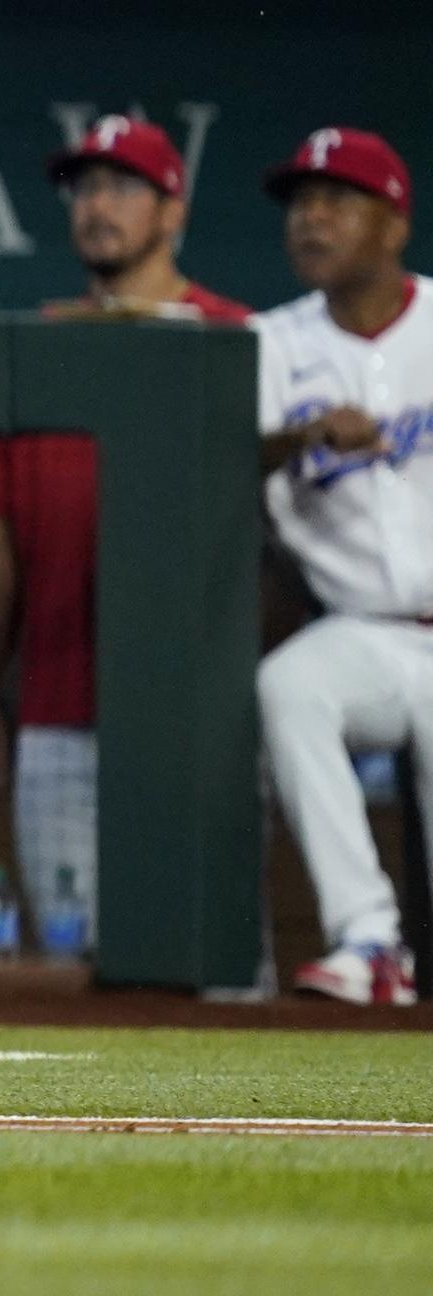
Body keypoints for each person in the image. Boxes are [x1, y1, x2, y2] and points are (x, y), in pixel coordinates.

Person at [0, 115, 250, 952]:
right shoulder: (39, 347)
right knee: (70, 957)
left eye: (124, 187)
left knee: (214, 954)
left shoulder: (234, 336)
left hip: (197, 709)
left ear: (174, 213)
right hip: (57, 704)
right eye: (85, 187)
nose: (97, 205)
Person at [253, 128, 430, 1007]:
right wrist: (303, 433)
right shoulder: (272, 344)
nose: (311, 219)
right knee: (290, 684)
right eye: (300, 204)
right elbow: (217, 456)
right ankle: (368, 939)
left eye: (336, 201)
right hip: (360, 632)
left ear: (394, 225)